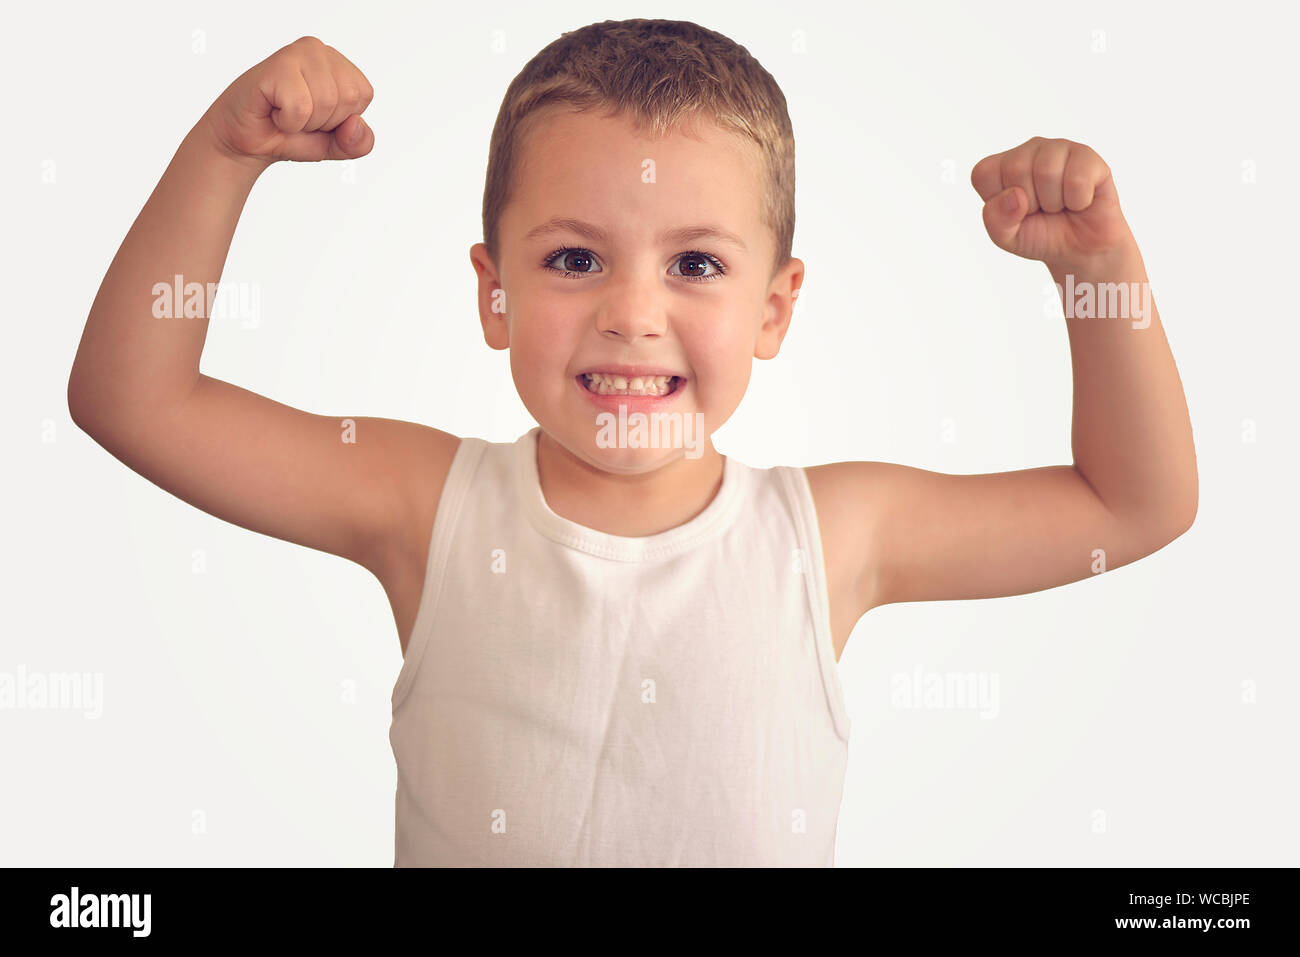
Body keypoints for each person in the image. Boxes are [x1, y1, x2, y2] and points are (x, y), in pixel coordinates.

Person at [66, 20, 1197, 866]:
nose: (632, 312)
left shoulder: (834, 534)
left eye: (696, 263)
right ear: (492, 292)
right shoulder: (424, 503)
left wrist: (1097, 276)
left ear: (774, 308)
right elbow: (135, 400)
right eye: (572, 259)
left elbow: (1129, 506)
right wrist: (224, 156)